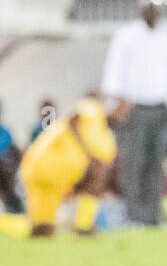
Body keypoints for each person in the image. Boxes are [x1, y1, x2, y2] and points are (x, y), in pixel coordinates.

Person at [101, 0, 167, 226]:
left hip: (160, 108)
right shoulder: (127, 36)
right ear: (141, 10)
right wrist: (113, 105)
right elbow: (114, 70)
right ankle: (134, 214)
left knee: (156, 162)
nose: (151, 12)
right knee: (134, 162)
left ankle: (153, 215)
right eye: (148, 8)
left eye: (155, 8)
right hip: (134, 108)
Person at [14, 97, 117, 237]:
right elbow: (76, 117)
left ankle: (42, 228)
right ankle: (83, 225)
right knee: (97, 174)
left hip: (33, 166)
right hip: (56, 165)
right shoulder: (94, 111)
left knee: (42, 225)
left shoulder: (101, 132)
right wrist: (89, 154)